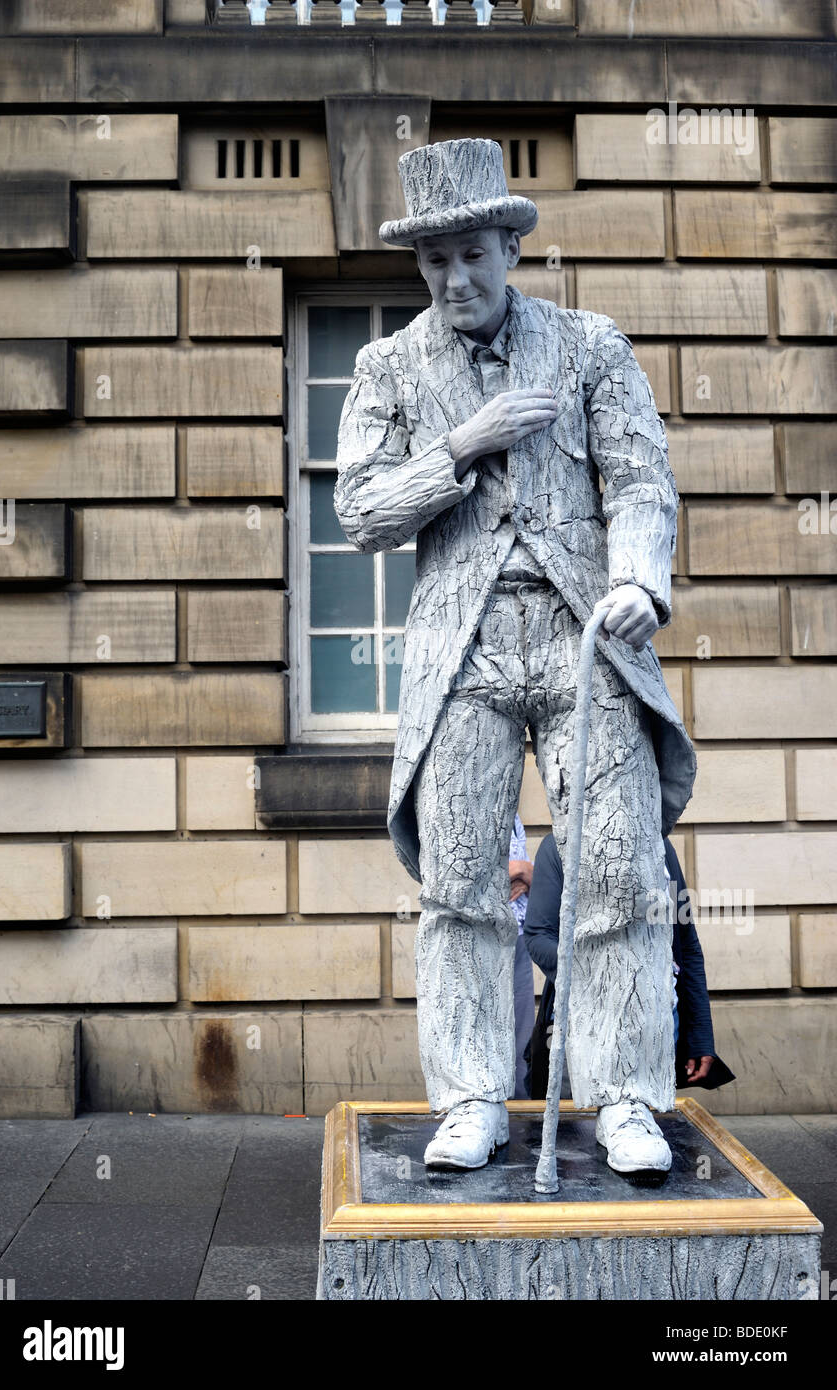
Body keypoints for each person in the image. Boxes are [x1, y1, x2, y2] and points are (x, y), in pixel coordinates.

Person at [334, 138, 696, 1173]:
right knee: (460, 884)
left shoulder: (590, 347)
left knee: (620, 874)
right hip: (466, 655)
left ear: (510, 248)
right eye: (434, 262)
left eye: (473, 255)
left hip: (589, 640)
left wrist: (638, 576)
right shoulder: (389, 367)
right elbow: (359, 510)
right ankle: (473, 1097)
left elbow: (639, 481)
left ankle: (625, 1094)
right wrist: (462, 444)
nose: (455, 279)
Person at [524, 833, 735, 1121]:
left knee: (641, 1137)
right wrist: (604, 971)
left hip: (657, 1025)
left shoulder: (660, 843)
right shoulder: (561, 842)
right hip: (582, 1026)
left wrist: (699, 1035)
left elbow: (686, 944)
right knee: (577, 1145)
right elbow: (538, 936)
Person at [508, 813, 537, 1100]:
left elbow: (530, 875)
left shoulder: (514, 813)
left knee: (521, 1047)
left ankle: (518, 1127)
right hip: (482, 939)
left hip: (518, 936)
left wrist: (525, 872)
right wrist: (519, 869)